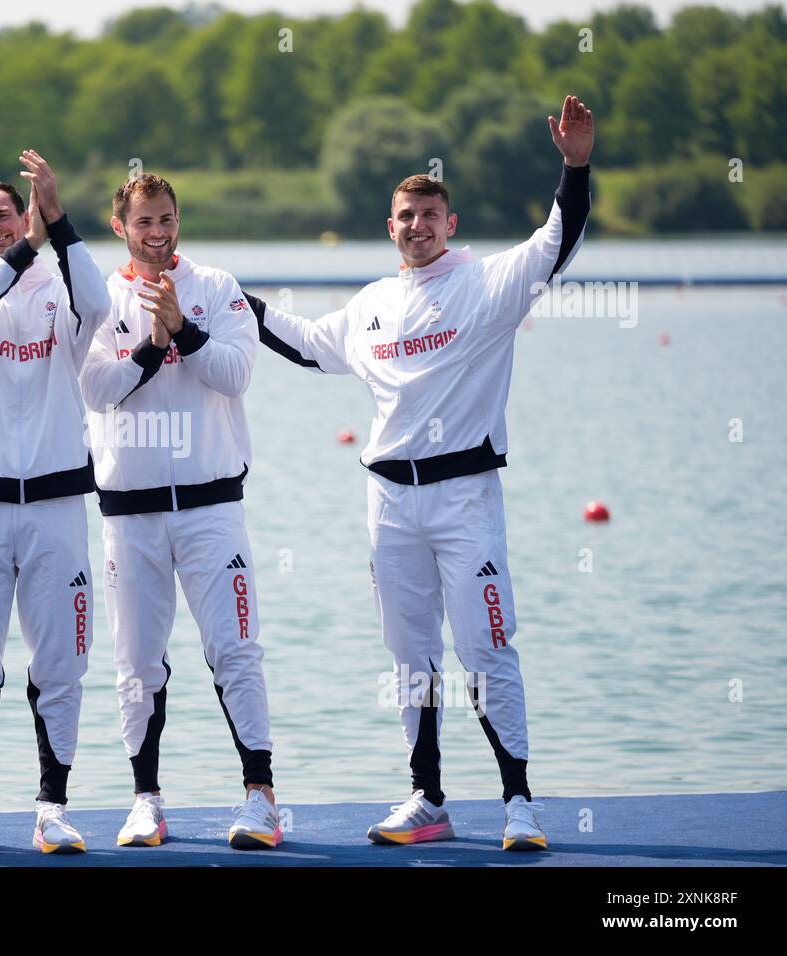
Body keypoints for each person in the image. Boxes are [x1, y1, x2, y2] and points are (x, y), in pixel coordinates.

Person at [246, 95, 594, 850]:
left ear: (451, 225)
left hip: (466, 498)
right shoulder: (372, 304)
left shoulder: (488, 286)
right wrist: (231, 301)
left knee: (487, 648)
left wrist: (574, 166)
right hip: (388, 505)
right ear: (391, 226)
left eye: (430, 215)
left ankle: (518, 802)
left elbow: (557, 240)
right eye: (405, 216)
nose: (417, 227)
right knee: (410, 659)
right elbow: (305, 343)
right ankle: (427, 798)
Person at [79, 173, 281, 850]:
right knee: (137, 662)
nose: (158, 233)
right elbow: (97, 390)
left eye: (167, 219)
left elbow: (236, 373)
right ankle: (145, 801)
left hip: (210, 508)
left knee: (235, 651)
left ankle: (260, 798)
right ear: (120, 228)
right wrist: (149, 346)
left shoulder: (218, 287)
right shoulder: (98, 298)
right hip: (129, 514)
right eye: (144, 223)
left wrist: (185, 333)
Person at [0, 150, 111, 855]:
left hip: (57, 504)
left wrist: (56, 223)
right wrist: (31, 240)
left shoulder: (65, 292)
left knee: (61, 663)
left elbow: (99, 302)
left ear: (25, 213)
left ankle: (53, 809)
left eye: (5, 214)